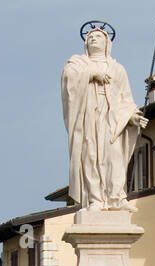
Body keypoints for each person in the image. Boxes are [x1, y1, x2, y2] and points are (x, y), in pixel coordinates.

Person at [61, 24, 148, 212]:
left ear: (107, 43)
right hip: (89, 117)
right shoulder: (77, 64)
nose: (94, 38)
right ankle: (95, 199)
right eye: (90, 36)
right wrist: (91, 73)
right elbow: (69, 83)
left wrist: (132, 117)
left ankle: (116, 197)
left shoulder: (118, 69)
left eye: (99, 36)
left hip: (113, 120)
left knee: (114, 157)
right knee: (90, 155)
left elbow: (126, 99)